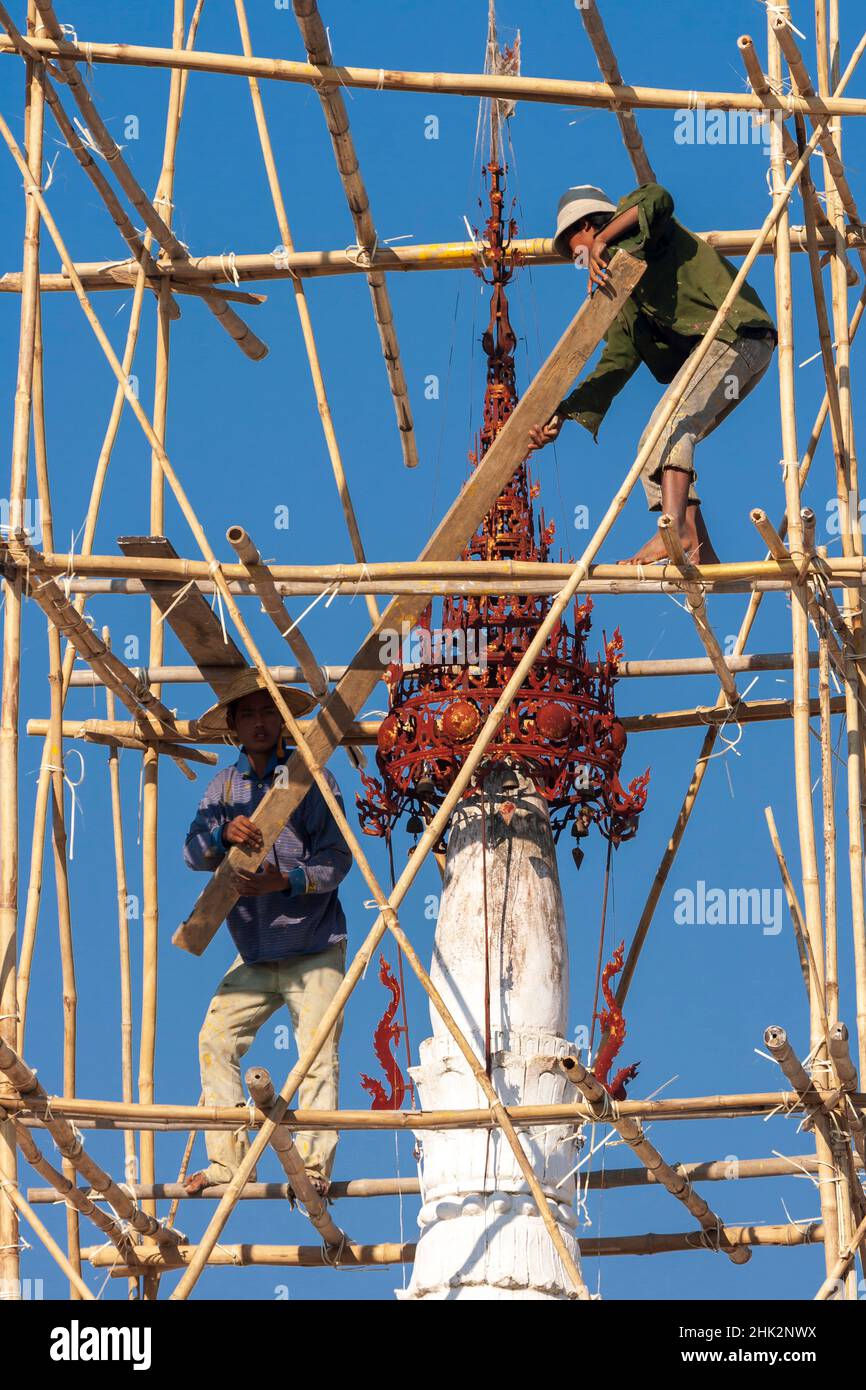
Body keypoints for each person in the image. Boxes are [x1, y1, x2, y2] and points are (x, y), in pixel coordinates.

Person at [528, 182, 777, 565]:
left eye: (575, 242)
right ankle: (698, 548)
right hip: (725, 352)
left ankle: (673, 530)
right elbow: (616, 363)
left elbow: (657, 198)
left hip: (736, 334)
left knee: (672, 424)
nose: (576, 255)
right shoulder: (621, 291)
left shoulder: (647, 233)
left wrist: (606, 240)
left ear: (592, 225)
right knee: (653, 442)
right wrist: (563, 412)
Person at [182, 669, 351, 1198]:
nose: (258, 723)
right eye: (248, 714)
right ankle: (230, 1164)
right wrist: (219, 833)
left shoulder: (310, 779)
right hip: (254, 953)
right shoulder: (223, 788)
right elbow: (191, 852)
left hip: (315, 947)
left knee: (316, 1053)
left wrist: (288, 880)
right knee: (214, 1039)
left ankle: (315, 1169)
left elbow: (338, 859)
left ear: (283, 721)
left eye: (267, 713)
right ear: (234, 726)